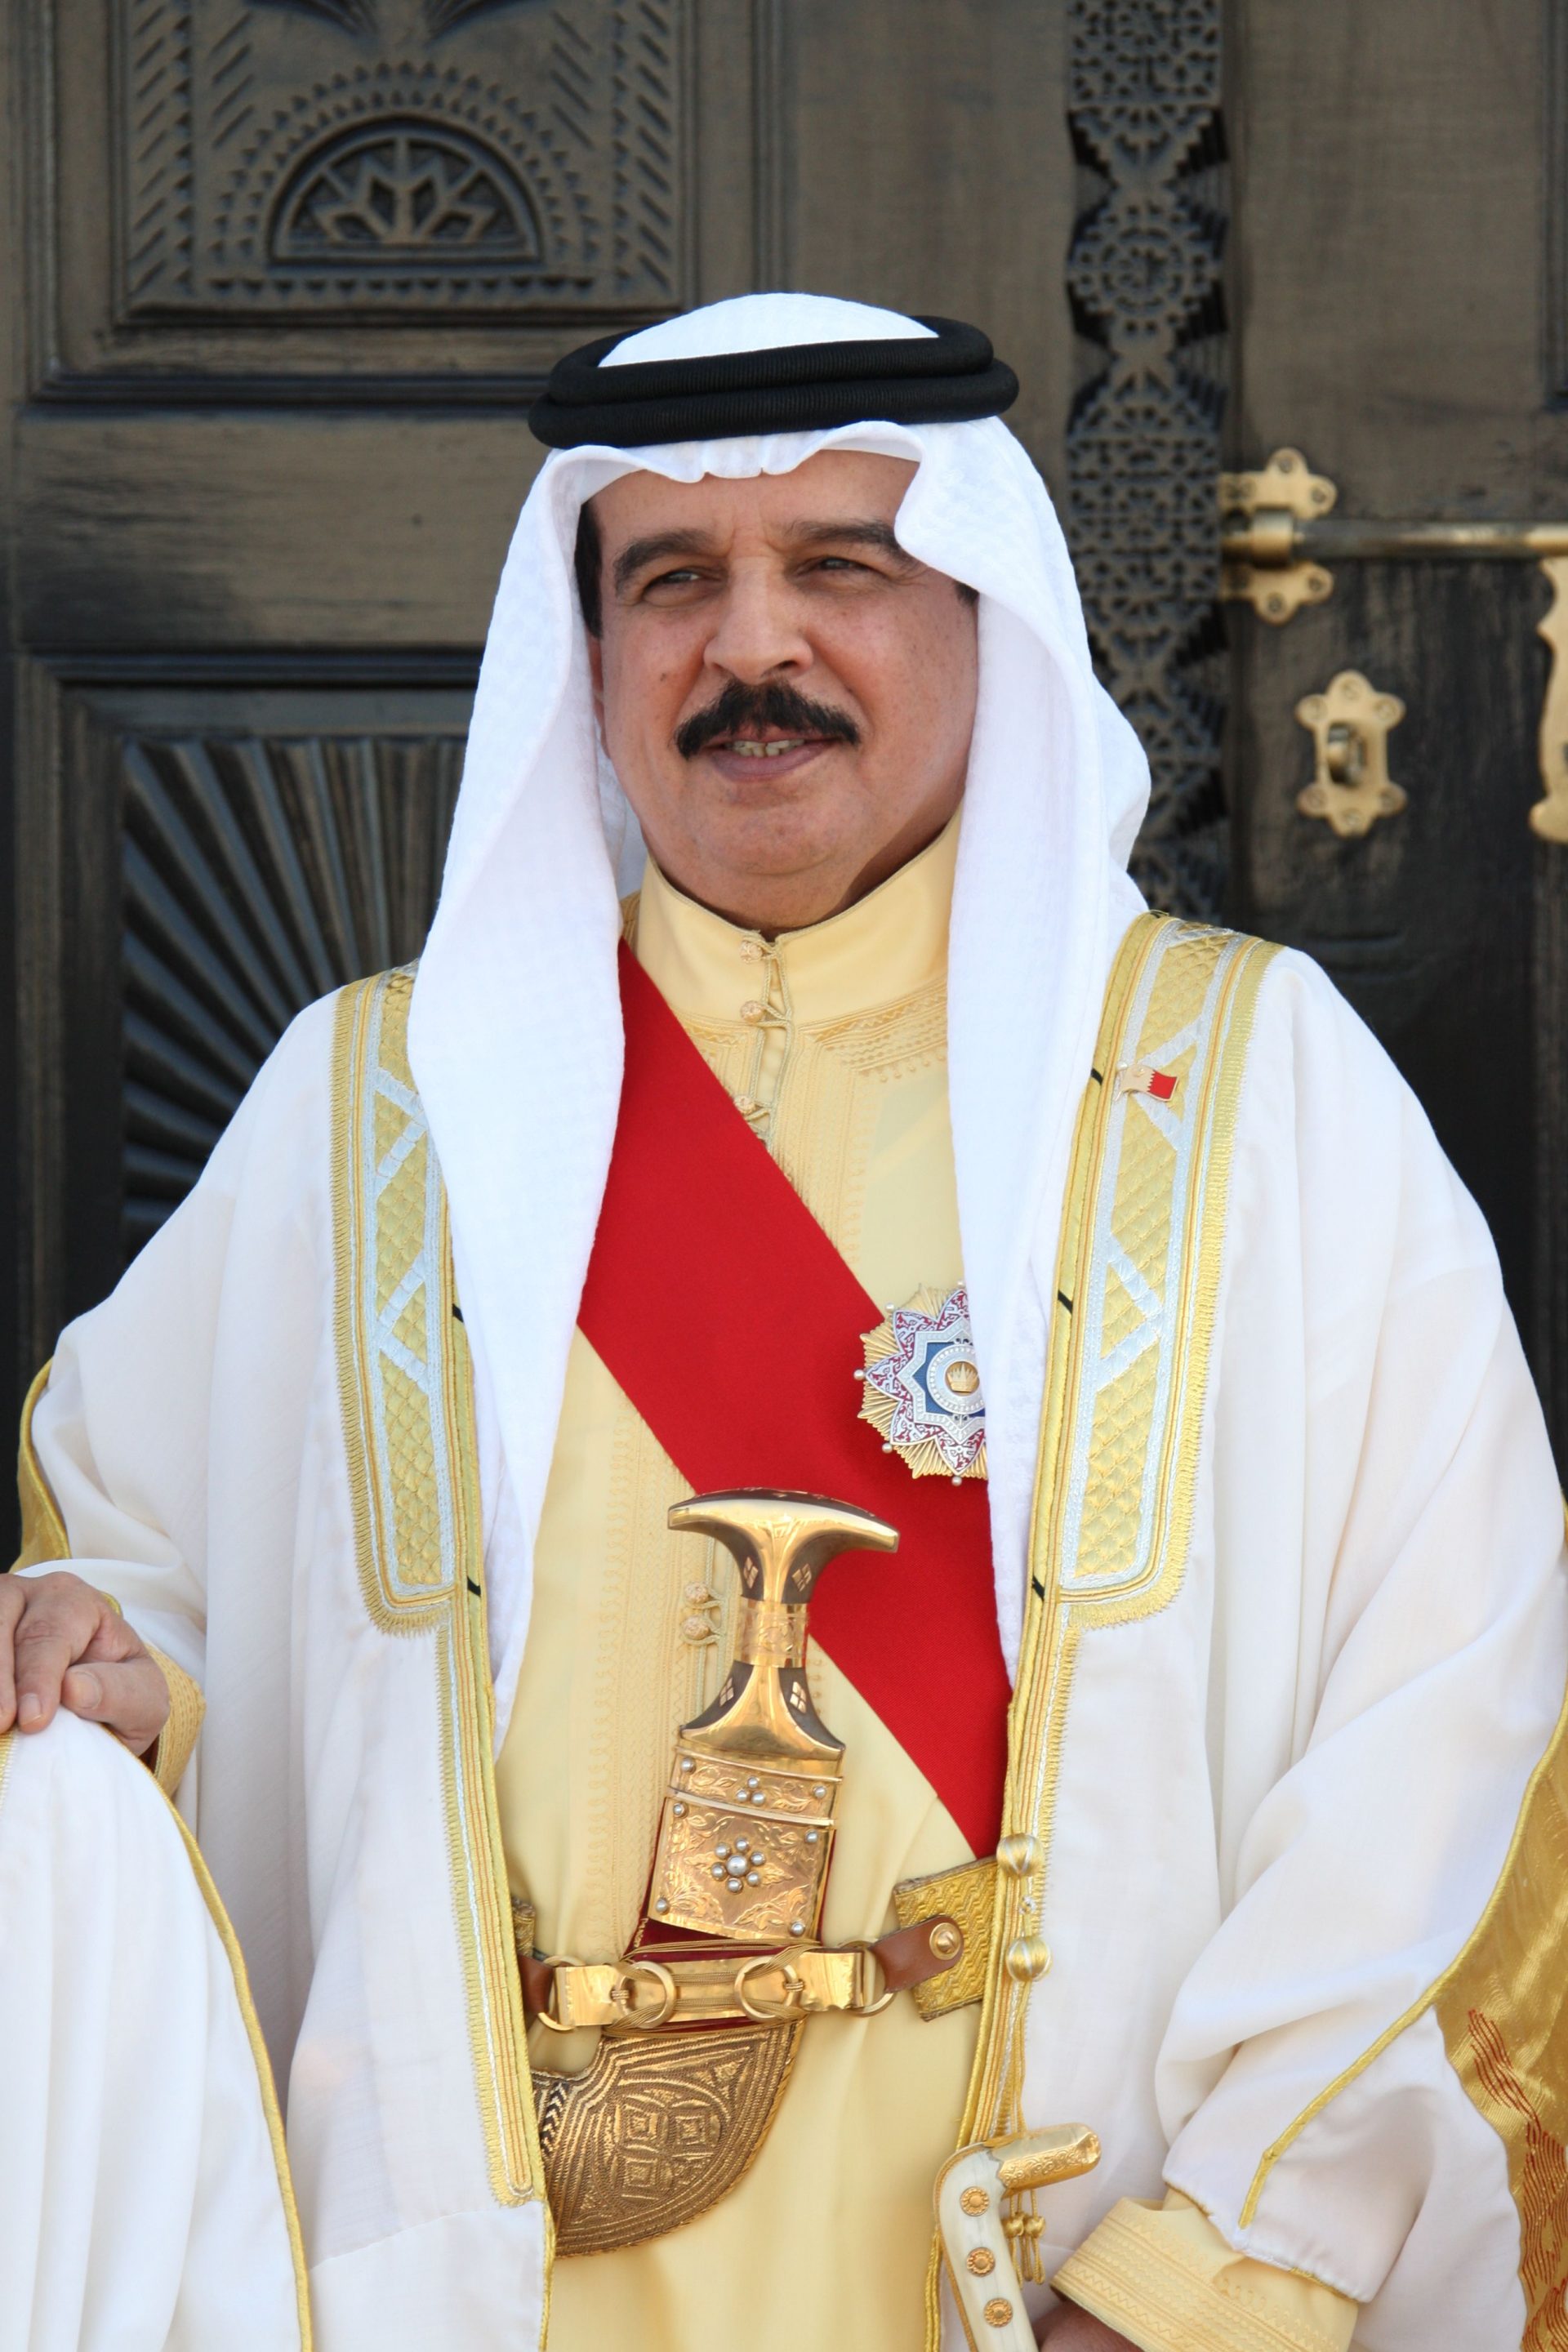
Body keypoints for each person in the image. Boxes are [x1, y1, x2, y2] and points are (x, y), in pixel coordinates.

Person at [4, 292, 1566, 2352]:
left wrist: (1203, 2287)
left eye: (843, 568)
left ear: (983, 619)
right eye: (675, 583)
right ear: (590, 662)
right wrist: (119, 1693)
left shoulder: (1251, 1091)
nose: (753, 648)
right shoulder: (374, 1111)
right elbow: (156, 1580)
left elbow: (1458, 1728)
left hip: (1042, 2292)